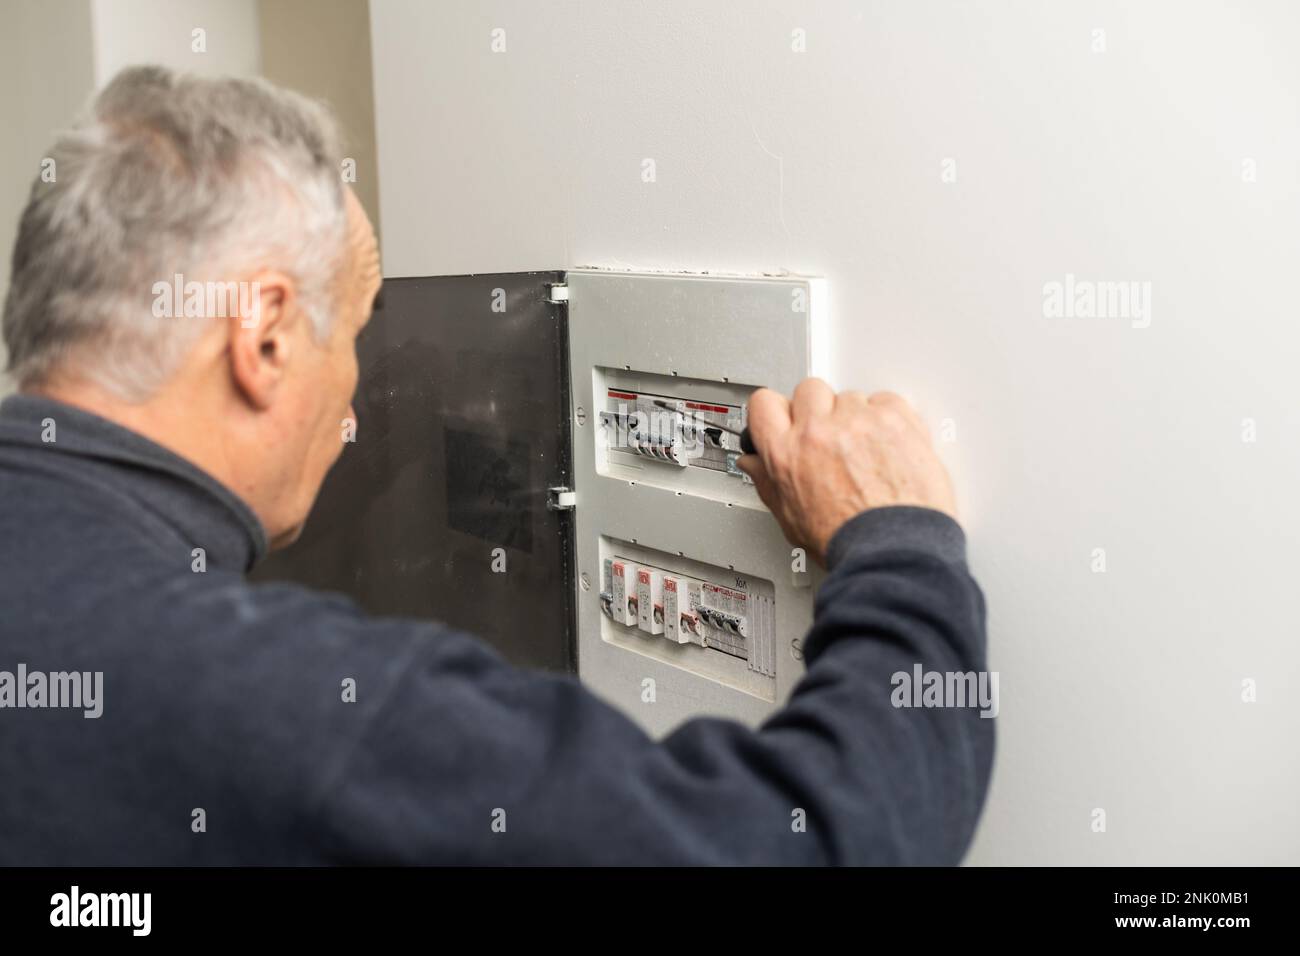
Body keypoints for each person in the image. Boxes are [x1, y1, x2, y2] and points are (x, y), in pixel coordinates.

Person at [0, 66, 993, 864]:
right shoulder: (295, 703)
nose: (352, 397)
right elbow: (814, 838)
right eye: (351, 332)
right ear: (262, 338)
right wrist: (898, 547)